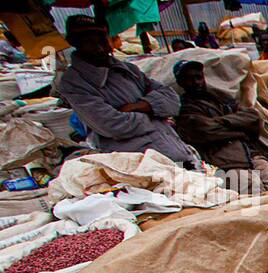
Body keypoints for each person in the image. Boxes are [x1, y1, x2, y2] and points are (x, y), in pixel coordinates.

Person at [58, 15, 198, 166]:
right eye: (89, 43)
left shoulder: (128, 70)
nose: (98, 48)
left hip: (174, 151)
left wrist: (138, 107)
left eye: (102, 41)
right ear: (74, 43)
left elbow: (172, 100)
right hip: (139, 164)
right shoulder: (74, 82)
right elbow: (112, 125)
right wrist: (155, 115)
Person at [173, 60, 268, 192]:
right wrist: (240, 131)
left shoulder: (220, 100)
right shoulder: (185, 109)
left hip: (252, 157)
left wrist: (223, 123)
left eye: (198, 77)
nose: (196, 82)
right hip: (228, 165)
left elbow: (253, 117)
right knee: (258, 202)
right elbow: (204, 131)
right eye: (189, 79)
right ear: (181, 83)